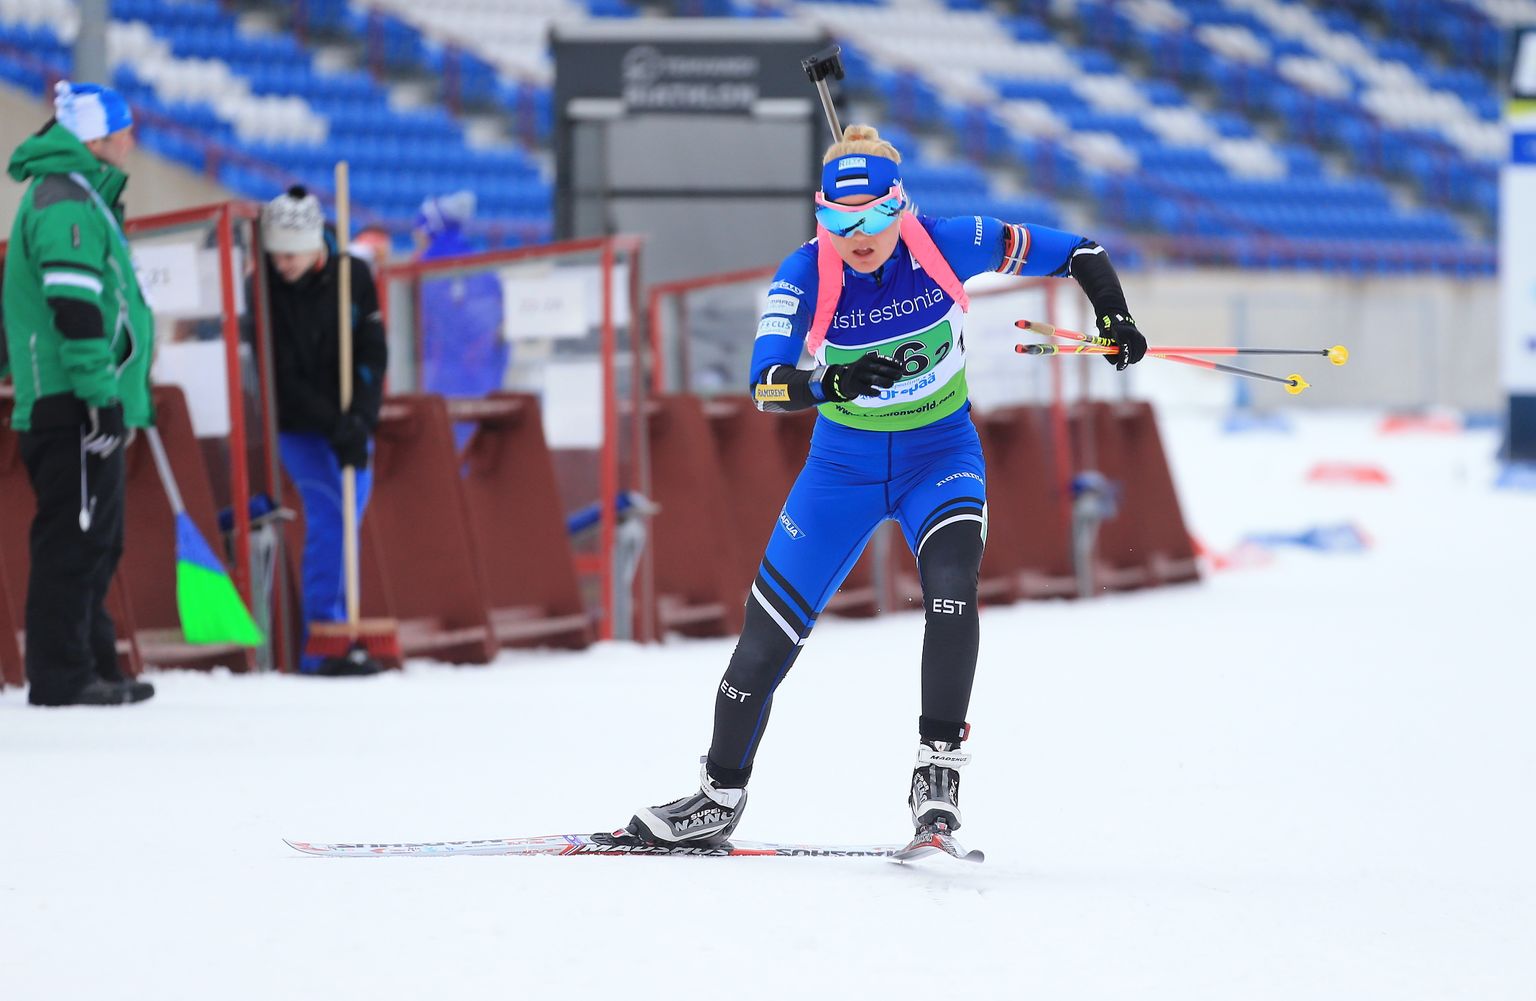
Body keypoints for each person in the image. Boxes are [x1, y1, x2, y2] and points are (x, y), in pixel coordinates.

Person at [627, 124, 1147, 845]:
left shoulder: (947, 241)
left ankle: (938, 771)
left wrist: (1113, 315)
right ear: (822, 219)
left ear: (900, 207)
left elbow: (1081, 252)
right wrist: (828, 380)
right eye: (841, 221)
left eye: (874, 215)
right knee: (763, 643)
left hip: (941, 455)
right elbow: (765, 386)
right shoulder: (803, 273)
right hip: (842, 468)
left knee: (952, 586)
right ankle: (718, 794)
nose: (859, 233)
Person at [2, 81, 157, 706]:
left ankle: (93, 662)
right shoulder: (65, 201)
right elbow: (75, 309)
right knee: (76, 534)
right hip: (71, 400)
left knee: (100, 537)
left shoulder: (82, 196)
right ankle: (62, 676)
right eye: (123, 132)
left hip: (84, 395)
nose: (132, 142)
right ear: (95, 139)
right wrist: (99, 394)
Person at [258, 186, 388, 676]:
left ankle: (340, 632)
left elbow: (373, 351)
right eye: (275, 255)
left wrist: (361, 419)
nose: (281, 264)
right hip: (300, 426)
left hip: (349, 419)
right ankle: (323, 644)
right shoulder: (267, 288)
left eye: (290, 255)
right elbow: (283, 377)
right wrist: (336, 425)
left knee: (349, 511)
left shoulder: (353, 275)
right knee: (333, 510)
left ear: (316, 245)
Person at [413, 190, 506, 448]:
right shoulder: (484, 271)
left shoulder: (423, 273)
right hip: (480, 385)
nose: (414, 237)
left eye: (419, 231)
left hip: (437, 384)